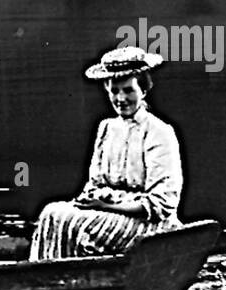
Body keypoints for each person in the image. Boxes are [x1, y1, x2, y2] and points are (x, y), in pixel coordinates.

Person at [30, 46, 183, 260]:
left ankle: (71, 279)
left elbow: (162, 203)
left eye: (128, 90)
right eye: (114, 91)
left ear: (144, 89)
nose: (121, 98)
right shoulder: (106, 128)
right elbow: (95, 183)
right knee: (52, 212)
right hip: (109, 212)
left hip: (150, 225)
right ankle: (54, 282)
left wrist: (106, 206)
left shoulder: (160, 132)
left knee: (76, 224)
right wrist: (89, 200)